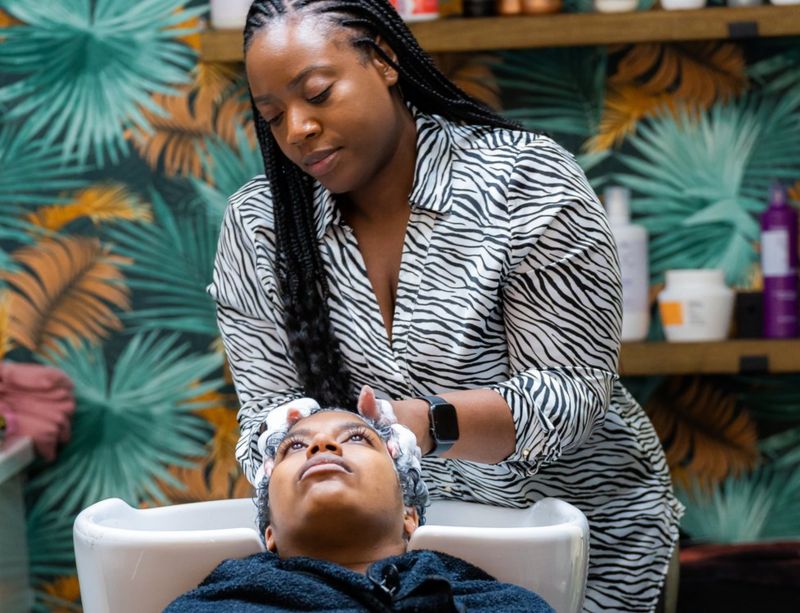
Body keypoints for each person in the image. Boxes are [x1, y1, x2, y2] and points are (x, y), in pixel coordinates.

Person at [207, 1, 683, 610]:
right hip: (382, 563)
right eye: (272, 116)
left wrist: (430, 425)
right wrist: (287, 439)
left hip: (573, 539)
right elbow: (262, 421)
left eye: (319, 94)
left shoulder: (524, 181)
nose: (297, 128)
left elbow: (574, 391)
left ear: (384, 59)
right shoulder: (261, 227)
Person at [164, 408, 554, 612]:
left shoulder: (503, 605)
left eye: (355, 438)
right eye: (295, 447)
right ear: (270, 534)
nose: (321, 446)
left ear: (409, 514)